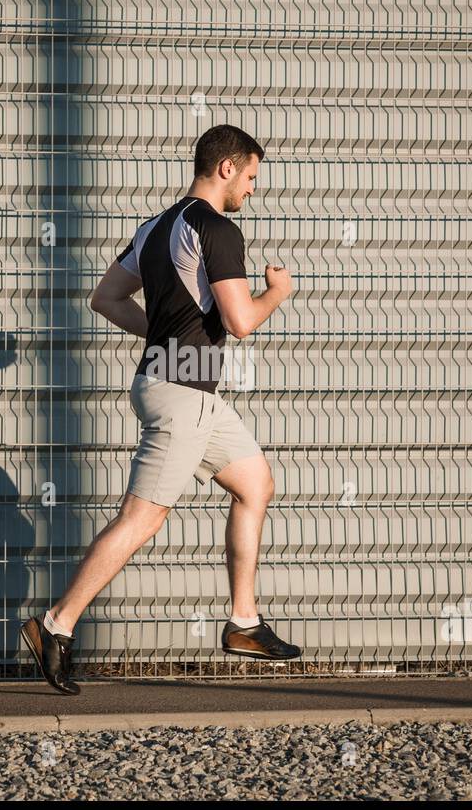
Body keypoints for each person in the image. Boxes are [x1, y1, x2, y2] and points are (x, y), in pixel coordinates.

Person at [19, 124, 299, 694]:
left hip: (186, 389)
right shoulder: (219, 229)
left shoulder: (154, 227)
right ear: (226, 168)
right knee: (141, 519)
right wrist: (277, 292)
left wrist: (165, 337)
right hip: (182, 395)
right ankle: (56, 624)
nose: (251, 189)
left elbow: (105, 298)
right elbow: (241, 322)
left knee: (255, 483)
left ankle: (243, 621)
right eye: (250, 177)